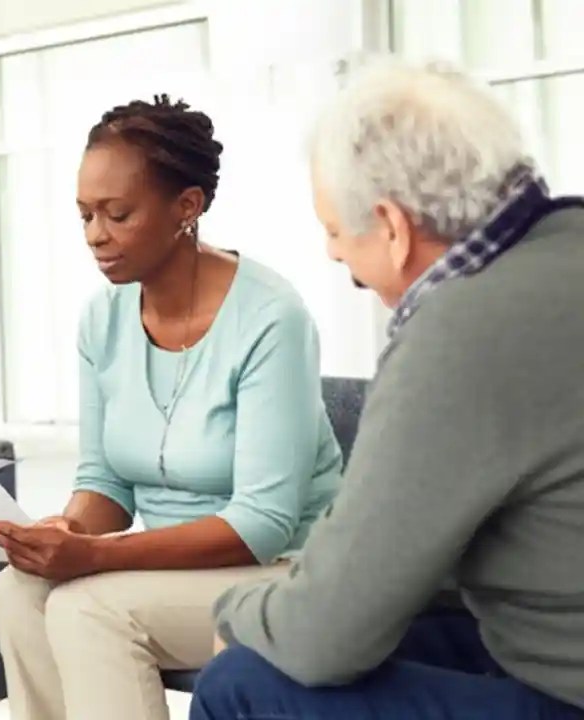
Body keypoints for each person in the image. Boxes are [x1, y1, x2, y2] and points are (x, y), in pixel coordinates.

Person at [193, 58, 584, 720]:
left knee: (242, 682)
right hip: (544, 647)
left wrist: (238, 615)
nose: (333, 255)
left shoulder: (462, 331)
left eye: (336, 233)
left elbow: (325, 637)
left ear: (394, 228)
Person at [0, 94, 343, 720]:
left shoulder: (270, 318)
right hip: (171, 571)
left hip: (291, 572)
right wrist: (67, 531)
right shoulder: (103, 320)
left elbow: (262, 525)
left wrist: (96, 558)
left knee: (87, 607)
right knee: (15, 593)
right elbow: (106, 482)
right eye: (85, 215)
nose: (97, 235)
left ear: (187, 207)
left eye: (118, 214)